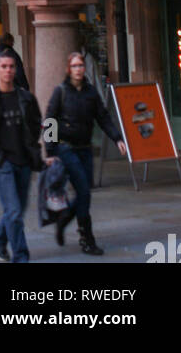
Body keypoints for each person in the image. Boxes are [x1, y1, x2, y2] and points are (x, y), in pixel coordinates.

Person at [45, 51, 127, 255]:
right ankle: (87, 239)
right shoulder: (61, 91)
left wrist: (117, 138)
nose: (78, 69)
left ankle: (64, 220)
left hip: (85, 148)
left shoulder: (91, 92)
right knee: (83, 189)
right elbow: (50, 120)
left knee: (84, 192)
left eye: (81, 65)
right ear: (68, 69)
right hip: (66, 148)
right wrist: (50, 150)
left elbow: (103, 116)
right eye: (74, 66)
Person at [0, 49, 44, 263]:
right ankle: (21, 257)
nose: (8, 70)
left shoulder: (26, 98)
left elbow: (36, 124)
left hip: (23, 161)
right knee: (14, 212)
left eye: (11, 66)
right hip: (2, 164)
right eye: (3, 66)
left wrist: (36, 150)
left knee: (17, 211)